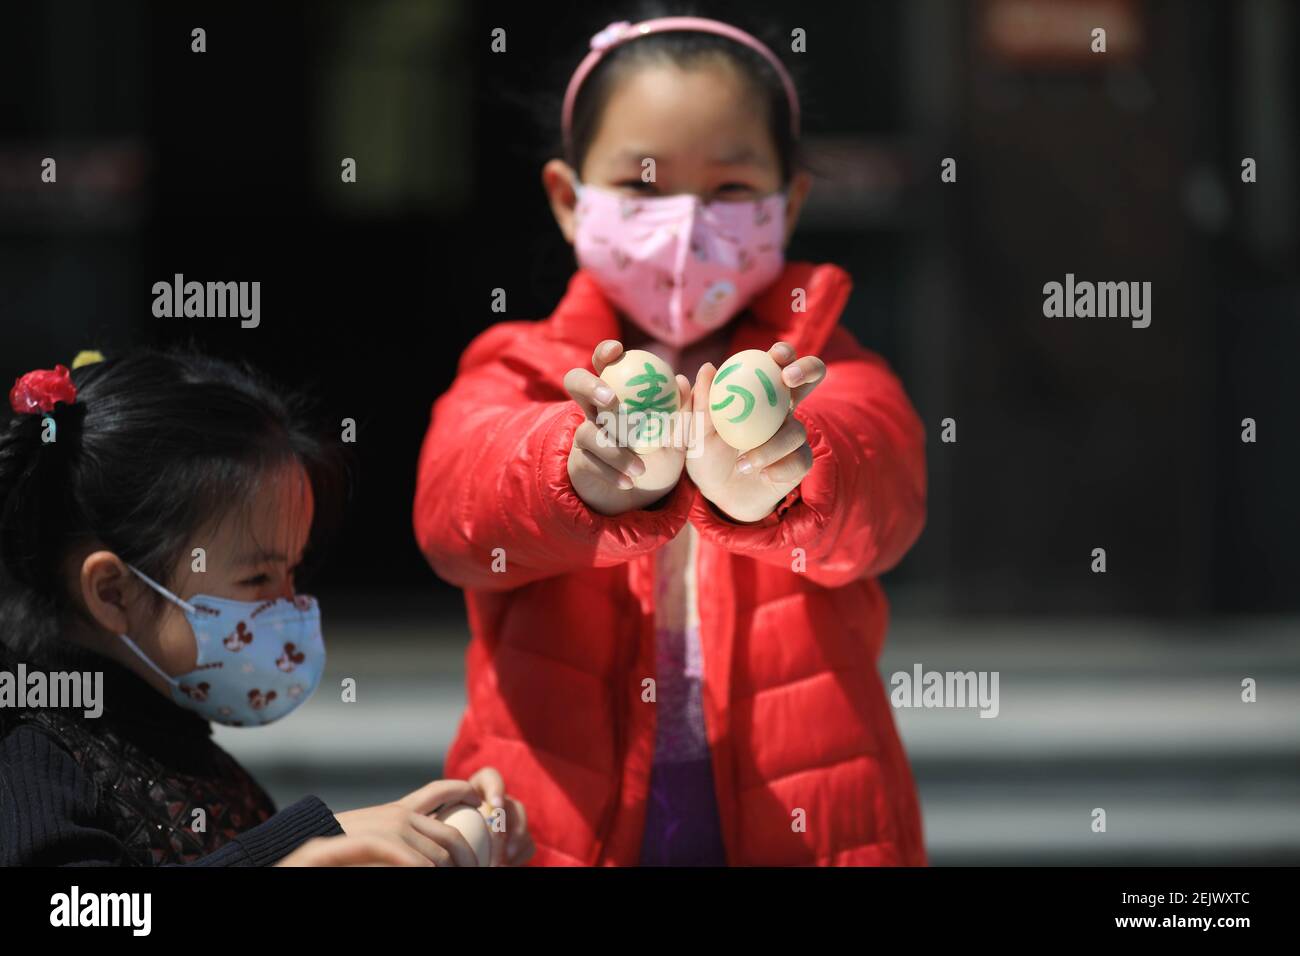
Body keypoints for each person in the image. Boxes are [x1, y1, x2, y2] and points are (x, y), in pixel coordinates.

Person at [414, 13, 927, 865]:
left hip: (809, 817)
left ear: (788, 202)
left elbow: (885, 503)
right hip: (557, 824)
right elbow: (454, 517)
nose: (686, 223)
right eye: (643, 188)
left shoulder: (834, 367)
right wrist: (577, 475)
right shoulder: (518, 369)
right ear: (568, 200)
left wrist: (785, 470)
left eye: (730, 191)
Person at [0, 350, 534, 866]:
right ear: (113, 592)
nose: (291, 606)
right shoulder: (31, 761)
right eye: (257, 576)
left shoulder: (200, 763)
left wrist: (435, 836)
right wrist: (303, 846)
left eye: (293, 572)